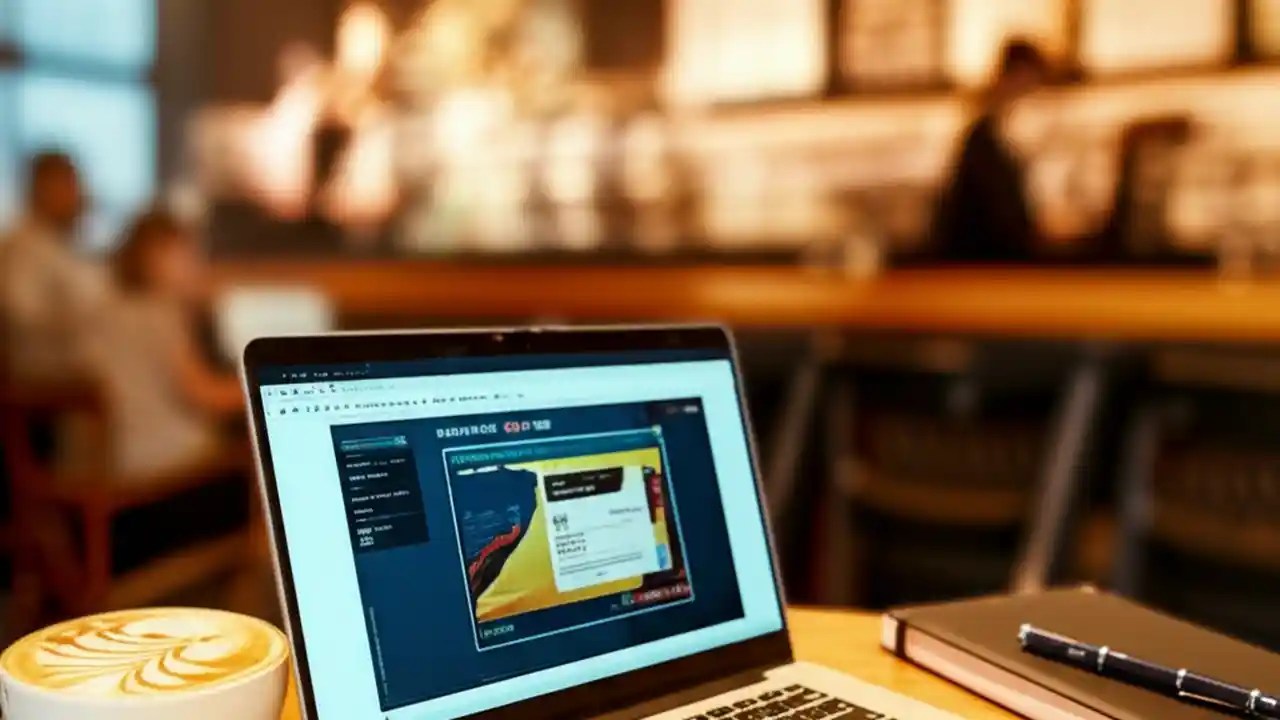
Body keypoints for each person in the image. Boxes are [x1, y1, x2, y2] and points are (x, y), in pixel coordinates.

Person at [91, 210, 243, 479]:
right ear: (153, 257)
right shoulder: (160, 315)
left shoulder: (110, 310)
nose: (198, 268)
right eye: (188, 256)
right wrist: (265, 387)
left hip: (121, 468)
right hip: (173, 475)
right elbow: (205, 396)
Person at [933, 40, 1050, 262]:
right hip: (983, 262)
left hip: (986, 260)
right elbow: (996, 211)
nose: (1031, 91)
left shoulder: (992, 129)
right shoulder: (984, 136)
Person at [0, 152, 106, 381]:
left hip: (89, 359)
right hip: (50, 375)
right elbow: (22, 318)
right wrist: (79, 320)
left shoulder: (68, 246)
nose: (77, 195)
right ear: (40, 190)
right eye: (66, 185)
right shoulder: (23, 248)